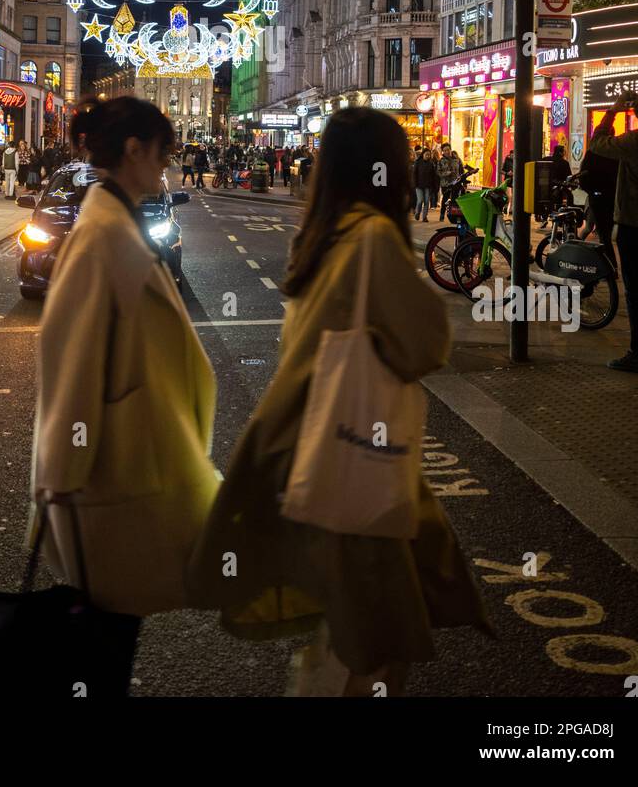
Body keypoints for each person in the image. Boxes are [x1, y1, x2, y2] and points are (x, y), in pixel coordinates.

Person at [187, 106, 490, 695]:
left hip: (309, 447)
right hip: (353, 461)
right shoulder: (373, 236)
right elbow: (425, 343)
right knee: (375, 639)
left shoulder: (322, 232)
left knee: (355, 629)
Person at [28, 96, 220, 693]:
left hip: (128, 475)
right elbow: (71, 364)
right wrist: (62, 480)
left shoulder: (115, 223)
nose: (166, 171)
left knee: (108, 642)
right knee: (100, 650)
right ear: (134, 151)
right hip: (106, 487)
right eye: (162, 157)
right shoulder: (102, 235)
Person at [590, 86, 638, 374]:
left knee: (637, 287)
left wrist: (614, 109)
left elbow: (598, 142)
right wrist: (636, 110)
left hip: (636, 222)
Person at [578, 143, 618, 274]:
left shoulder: (593, 153)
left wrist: (592, 191)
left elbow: (583, 177)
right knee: (603, 233)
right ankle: (609, 266)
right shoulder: (616, 153)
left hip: (597, 198)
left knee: (600, 233)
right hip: (612, 199)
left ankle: (609, 267)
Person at [413, 147, 439, 222]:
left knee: (427, 201)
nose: (428, 156)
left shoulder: (431, 164)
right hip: (419, 185)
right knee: (420, 200)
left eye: (429, 155)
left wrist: (435, 186)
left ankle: (424, 217)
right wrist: (415, 183)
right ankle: (417, 213)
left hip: (428, 186)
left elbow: (434, 176)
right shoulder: (417, 162)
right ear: (423, 154)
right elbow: (414, 174)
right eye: (426, 154)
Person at [435, 143, 458, 221]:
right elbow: (438, 172)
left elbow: (461, 170)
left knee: (455, 200)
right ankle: (442, 214)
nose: (447, 152)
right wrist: (446, 173)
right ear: (442, 152)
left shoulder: (456, 159)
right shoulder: (441, 161)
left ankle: (453, 216)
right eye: (445, 150)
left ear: (450, 150)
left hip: (455, 183)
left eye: (448, 150)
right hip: (445, 184)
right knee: (445, 199)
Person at [548, 144, 572, 208]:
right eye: (564, 151)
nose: (564, 153)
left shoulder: (548, 160)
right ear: (560, 153)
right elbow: (569, 176)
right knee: (570, 195)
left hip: (547, 186)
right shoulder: (564, 163)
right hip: (560, 186)